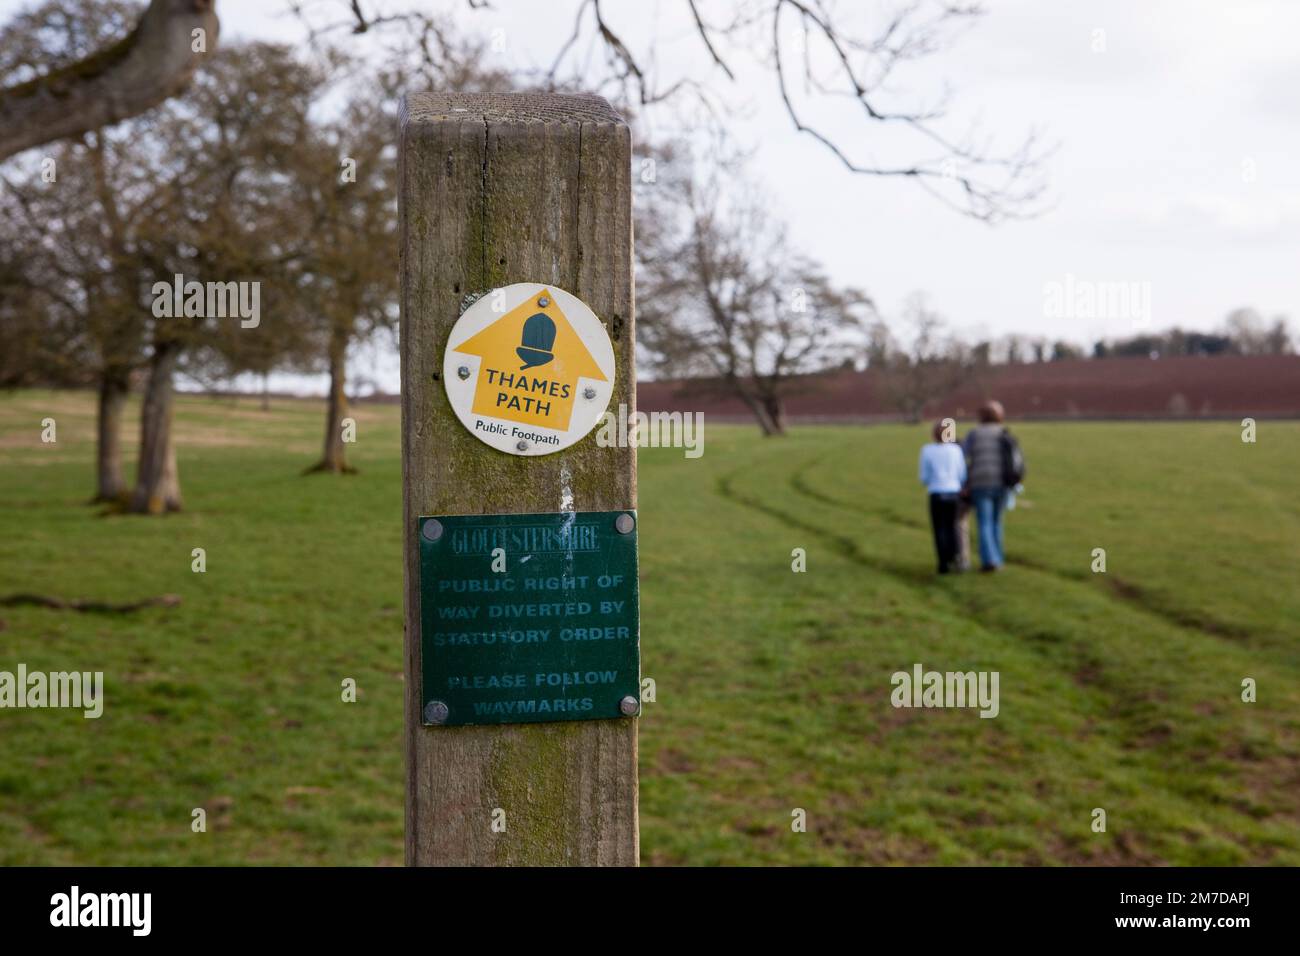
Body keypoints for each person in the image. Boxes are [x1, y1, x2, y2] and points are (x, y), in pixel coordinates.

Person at [961, 399, 1022, 572]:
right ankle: (997, 558)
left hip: (980, 482)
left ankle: (990, 560)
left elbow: (963, 456)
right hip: (1002, 482)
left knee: (984, 522)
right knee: (996, 521)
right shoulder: (1004, 433)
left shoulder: (975, 434)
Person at [918, 419, 967, 574]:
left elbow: (924, 476)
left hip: (936, 492)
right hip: (953, 492)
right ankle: (955, 557)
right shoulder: (956, 450)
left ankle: (943, 562)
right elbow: (962, 474)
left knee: (939, 528)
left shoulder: (927, 450)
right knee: (953, 527)